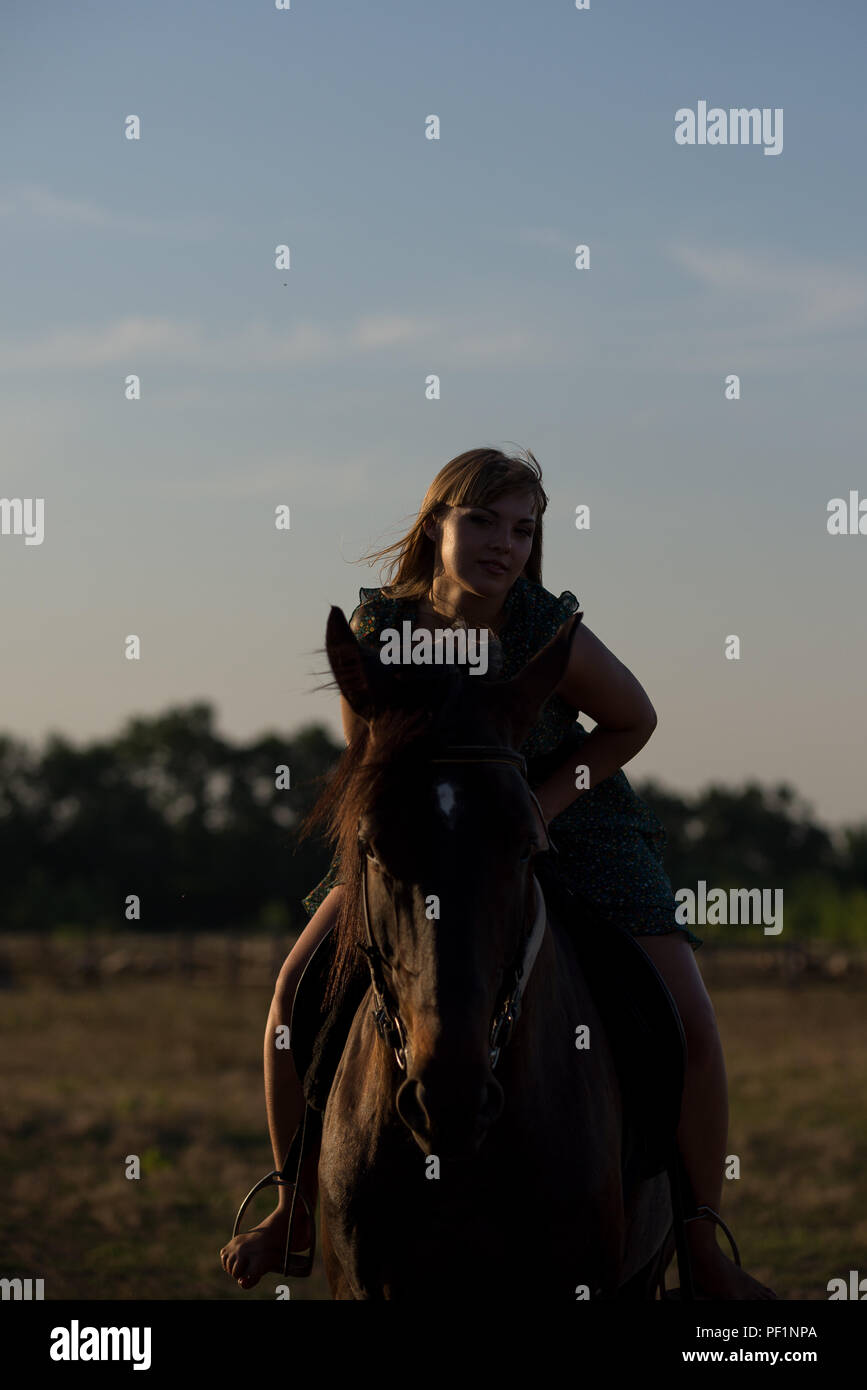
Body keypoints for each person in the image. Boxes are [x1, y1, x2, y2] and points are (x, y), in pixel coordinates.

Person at [220, 446, 777, 1299]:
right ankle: (296, 1205)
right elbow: (368, 762)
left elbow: (632, 720)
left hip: (573, 824)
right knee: (291, 998)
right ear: (435, 522)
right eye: (482, 520)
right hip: (425, 841)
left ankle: (700, 1245)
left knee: (689, 1021)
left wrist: (540, 811)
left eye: (523, 529)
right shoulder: (383, 630)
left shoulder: (539, 626)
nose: (504, 545)